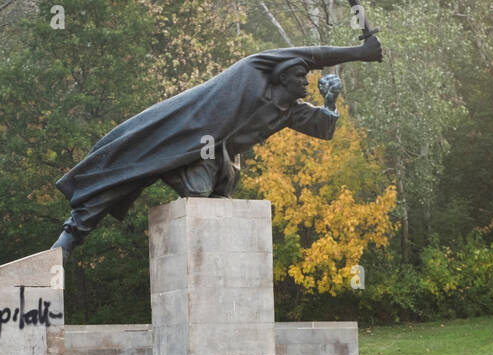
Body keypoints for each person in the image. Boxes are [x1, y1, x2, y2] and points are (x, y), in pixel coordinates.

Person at [52, 35, 383, 257]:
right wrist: (360, 54)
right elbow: (311, 56)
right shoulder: (252, 73)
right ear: (282, 77)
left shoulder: (287, 112)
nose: (306, 81)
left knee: (213, 197)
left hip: (219, 160)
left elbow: (322, 127)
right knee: (129, 168)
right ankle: (66, 242)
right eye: (301, 78)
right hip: (184, 136)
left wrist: (330, 100)